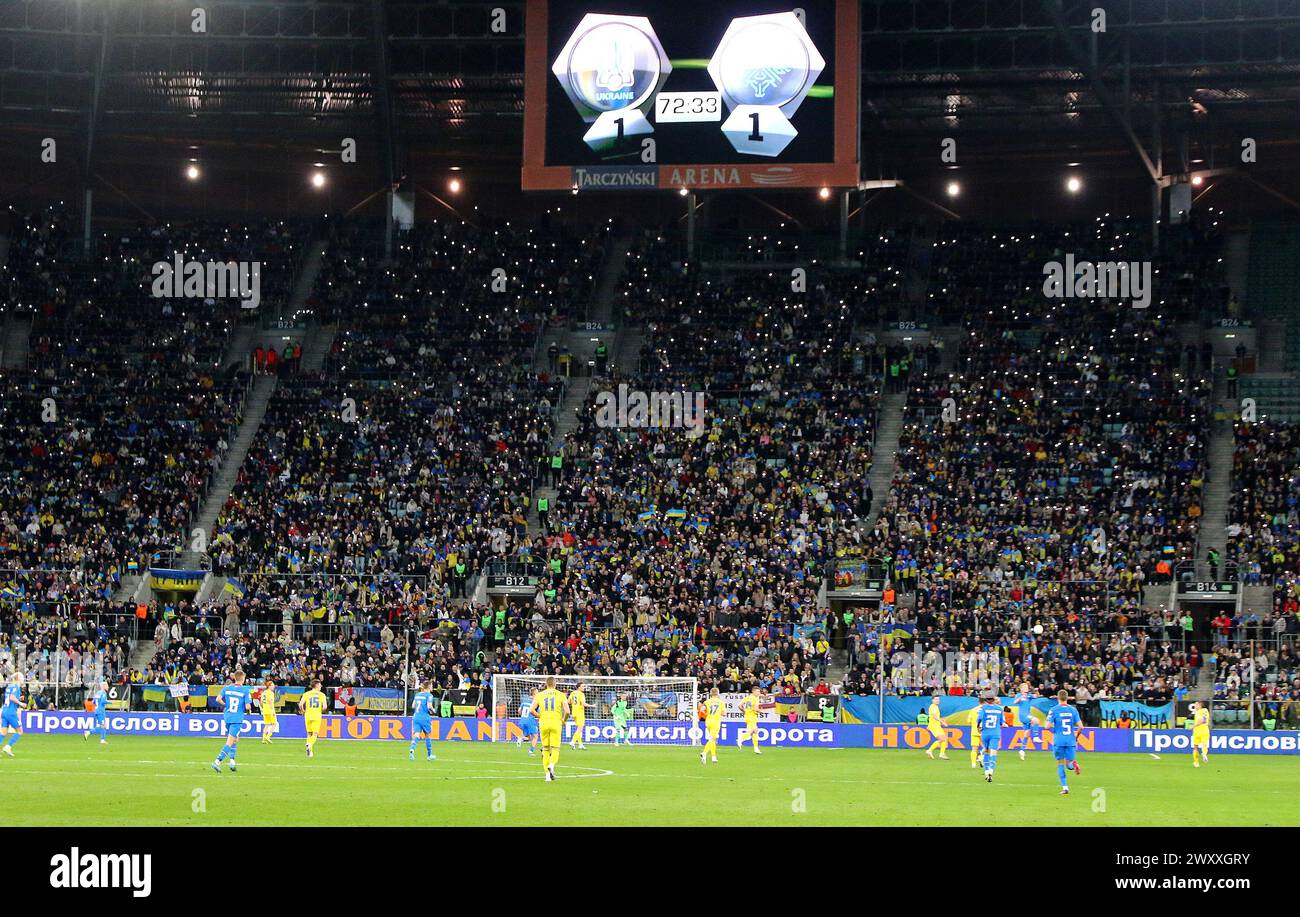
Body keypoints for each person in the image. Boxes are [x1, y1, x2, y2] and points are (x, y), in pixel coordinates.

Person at [527, 676, 570, 782]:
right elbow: (568, 711)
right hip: (556, 723)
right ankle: (552, 765)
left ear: (546, 684)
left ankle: (547, 776)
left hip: (543, 723)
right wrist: (563, 720)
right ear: (555, 684)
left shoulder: (539, 695)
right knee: (555, 748)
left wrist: (540, 716)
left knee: (545, 749)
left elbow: (531, 710)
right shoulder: (561, 695)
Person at [212, 670, 252, 773]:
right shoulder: (245, 690)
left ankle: (232, 761)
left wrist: (226, 705)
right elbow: (248, 706)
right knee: (230, 741)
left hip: (227, 717)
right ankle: (217, 761)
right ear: (243, 679)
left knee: (235, 739)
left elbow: (218, 699)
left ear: (234, 678)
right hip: (237, 719)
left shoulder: (227, 688)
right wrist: (248, 710)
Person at [1046, 689, 1084, 795]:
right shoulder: (1073, 710)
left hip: (1059, 740)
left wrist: (1055, 731)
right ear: (1067, 698)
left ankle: (1065, 788)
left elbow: (1047, 726)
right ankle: (1074, 765)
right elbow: (1081, 727)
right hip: (1070, 740)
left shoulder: (1054, 710)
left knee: (1060, 764)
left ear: (1058, 698)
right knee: (1069, 764)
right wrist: (1076, 736)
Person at [977, 691, 1003, 782]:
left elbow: (979, 719)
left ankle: (986, 770)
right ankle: (991, 770)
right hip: (995, 733)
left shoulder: (983, 708)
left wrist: (978, 727)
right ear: (994, 699)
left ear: (986, 700)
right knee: (993, 752)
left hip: (985, 733)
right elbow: (1001, 723)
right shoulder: (999, 709)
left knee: (987, 751)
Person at [409, 679, 436, 762]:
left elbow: (413, 706)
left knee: (416, 734)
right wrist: (433, 710)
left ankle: (412, 750)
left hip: (416, 716)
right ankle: (429, 755)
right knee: (427, 735)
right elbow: (429, 706)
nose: (432, 687)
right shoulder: (429, 695)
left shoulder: (417, 695)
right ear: (428, 687)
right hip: (424, 717)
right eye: (431, 686)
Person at [301, 679, 327, 758]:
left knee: (309, 733)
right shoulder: (322, 695)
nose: (321, 686)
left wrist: (303, 711)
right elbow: (325, 707)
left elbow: (300, 704)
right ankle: (310, 744)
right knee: (315, 734)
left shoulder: (306, 694)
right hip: (316, 715)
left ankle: (310, 751)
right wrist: (321, 710)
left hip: (308, 715)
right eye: (319, 685)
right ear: (316, 685)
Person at [700, 687, 724, 765]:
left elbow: (701, 710)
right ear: (718, 693)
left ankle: (714, 757)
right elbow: (723, 713)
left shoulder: (707, 702)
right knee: (712, 739)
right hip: (716, 722)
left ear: (710, 693)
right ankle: (704, 752)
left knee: (713, 739)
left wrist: (708, 714)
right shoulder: (721, 702)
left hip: (708, 721)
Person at [1, 673, 24, 756]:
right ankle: (8, 747)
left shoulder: (9, 686)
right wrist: (20, 703)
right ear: (18, 678)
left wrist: (18, 698)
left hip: (4, 711)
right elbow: (11, 698)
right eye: (22, 678)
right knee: (20, 731)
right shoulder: (16, 687)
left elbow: (9, 698)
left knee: (3, 732)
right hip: (11, 712)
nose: (23, 679)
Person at [735, 684, 762, 754]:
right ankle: (741, 739)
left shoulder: (747, 698)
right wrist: (760, 710)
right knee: (751, 731)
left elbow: (739, 706)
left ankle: (756, 748)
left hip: (747, 716)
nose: (759, 693)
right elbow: (756, 709)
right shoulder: (755, 699)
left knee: (755, 731)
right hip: (752, 716)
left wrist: (744, 711)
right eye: (757, 691)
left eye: (759, 691)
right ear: (753, 692)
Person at [1014, 682, 1038, 760]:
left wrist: (1036, 691)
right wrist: (1021, 697)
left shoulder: (1029, 695)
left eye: (1027, 687)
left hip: (1027, 715)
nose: (1027, 688)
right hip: (1023, 715)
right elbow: (1015, 702)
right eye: (1025, 687)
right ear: (1021, 689)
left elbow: (1036, 696)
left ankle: (1022, 750)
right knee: (1035, 720)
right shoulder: (1018, 695)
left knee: (1026, 734)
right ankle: (1036, 737)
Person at [84, 680, 109, 745]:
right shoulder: (103, 693)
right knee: (103, 726)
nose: (108, 687)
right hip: (101, 711)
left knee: (101, 726)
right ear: (103, 686)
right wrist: (109, 702)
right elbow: (103, 701)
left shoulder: (97, 693)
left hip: (96, 711)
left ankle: (90, 733)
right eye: (107, 685)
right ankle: (101, 739)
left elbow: (93, 702)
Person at [925, 692, 949, 760]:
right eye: (936, 699)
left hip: (936, 725)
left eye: (938, 699)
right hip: (934, 726)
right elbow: (935, 716)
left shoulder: (935, 707)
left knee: (944, 739)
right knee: (942, 739)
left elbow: (932, 717)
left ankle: (941, 753)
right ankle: (930, 750)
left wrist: (942, 721)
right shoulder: (933, 706)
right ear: (932, 700)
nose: (938, 700)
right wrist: (942, 722)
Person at [1190, 701, 1211, 768]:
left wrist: (1193, 726)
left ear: (1200, 705)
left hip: (1197, 731)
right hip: (1205, 730)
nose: (1195, 706)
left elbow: (1202, 720)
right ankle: (1204, 753)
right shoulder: (1206, 710)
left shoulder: (1199, 712)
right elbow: (1205, 720)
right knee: (1204, 744)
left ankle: (1196, 762)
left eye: (1196, 704)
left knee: (1195, 747)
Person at [567, 681, 587, 750]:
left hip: (574, 713)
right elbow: (584, 704)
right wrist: (592, 705)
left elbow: (568, 702)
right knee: (579, 729)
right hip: (580, 713)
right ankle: (572, 741)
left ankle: (580, 744)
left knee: (578, 729)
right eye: (583, 686)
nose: (584, 688)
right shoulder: (581, 694)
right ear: (579, 687)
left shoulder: (573, 693)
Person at [258, 678, 278, 744]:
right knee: (274, 724)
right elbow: (270, 701)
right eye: (272, 685)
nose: (274, 686)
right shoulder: (270, 693)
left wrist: (263, 708)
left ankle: (263, 739)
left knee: (266, 725)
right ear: (269, 686)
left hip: (265, 711)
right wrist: (273, 711)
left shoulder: (264, 692)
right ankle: (268, 736)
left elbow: (260, 702)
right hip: (270, 710)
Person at [967, 703, 981, 769]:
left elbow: (968, 721)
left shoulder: (973, 710)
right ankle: (982, 758)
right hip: (984, 731)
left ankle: (973, 764)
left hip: (975, 731)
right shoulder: (986, 709)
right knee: (987, 748)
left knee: (974, 749)